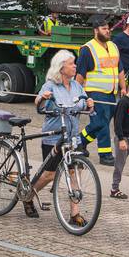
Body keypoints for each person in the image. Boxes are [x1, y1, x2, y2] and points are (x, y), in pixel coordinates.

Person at [28, 50, 94, 225]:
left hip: (73, 137)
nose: (75, 66)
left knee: (75, 171)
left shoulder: (77, 86)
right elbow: (38, 104)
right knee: (49, 175)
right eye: (72, 63)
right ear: (61, 67)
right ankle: (28, 195)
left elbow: (85, 104)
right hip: (54, 137)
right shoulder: (51, 85)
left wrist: (89, 104)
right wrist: (43, 98)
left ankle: (74, 214)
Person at [76, 15, 120, 166]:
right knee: (101, 123)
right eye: (104, 29)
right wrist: (77, 95)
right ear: (96, 31)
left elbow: (118, 69)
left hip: (111, 92)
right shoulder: (87, 49)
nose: (108, 31)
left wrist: (124, 88)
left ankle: (79, 142)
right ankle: (105, 154)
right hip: (94, 92)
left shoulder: (113, 46)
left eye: (108, 29)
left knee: (100, 123)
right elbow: (80, 75)